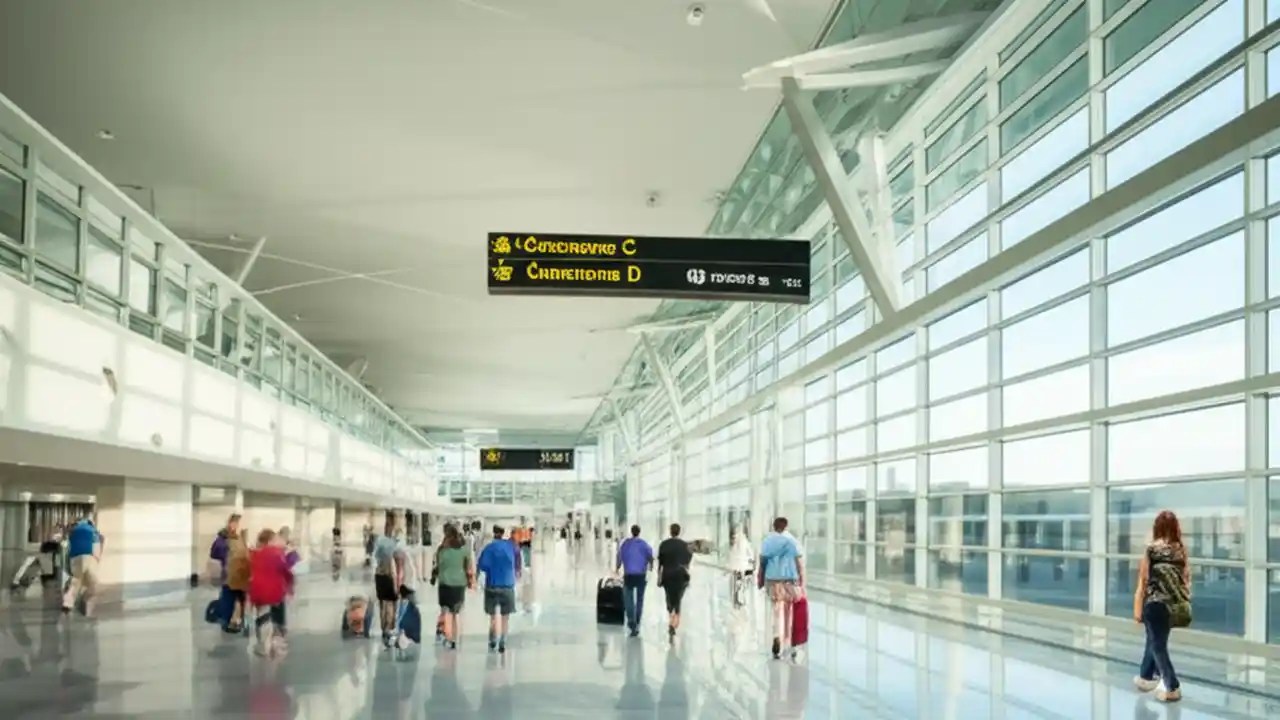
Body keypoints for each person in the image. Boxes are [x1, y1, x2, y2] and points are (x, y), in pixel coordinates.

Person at [1133, 510, 1190, 703]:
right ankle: (1146, 676)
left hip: (1155, 602)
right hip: (1173, 605)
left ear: (1156, 527)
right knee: (1154, 638)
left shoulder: (1151, 549)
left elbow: (1143, 579)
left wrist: (1138, 607)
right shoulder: (1181, 550)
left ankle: (1172, 686)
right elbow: (1186, 579)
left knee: (1158, 646)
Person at [759, 517, 804, 660]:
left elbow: (762, 562)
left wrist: (760, 578)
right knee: (789, 611)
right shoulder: (791, 541)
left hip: (773, 580)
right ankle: (790, 642)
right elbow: (798, 562)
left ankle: (776, 637)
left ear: (774, 526)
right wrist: (801, 579)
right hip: (789, 579)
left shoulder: (767, 541)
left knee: (776, 611)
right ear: (786, 526)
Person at [249, 528, 294, 656]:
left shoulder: (255, 554)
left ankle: (261, 643)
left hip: (257, 590)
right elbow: (285, 570)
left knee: (261, 616)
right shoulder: (276, 553)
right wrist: (290, 585)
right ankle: (276, 640)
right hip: (274, 591)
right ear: (270, 541)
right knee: (278, 615)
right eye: (274, 539)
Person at [475, 525, 520, 653]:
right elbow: (517, 565)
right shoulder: (511, 547)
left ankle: (492, 640)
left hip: (492, 585)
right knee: (505, 618)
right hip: (507, 586)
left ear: (494, 533)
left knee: (493, 617)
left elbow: (482, 566)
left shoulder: (489, 548)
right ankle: (503, 642)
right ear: (504, 533)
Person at [432, 523, 474, 650]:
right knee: (456, 613)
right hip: (459, 584)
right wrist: (470, 581)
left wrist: (433, 578)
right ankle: (455, 639)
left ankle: (447, 636)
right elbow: (468, 568)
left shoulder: (442, 549)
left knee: (446, 611)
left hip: (445, 583)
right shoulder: (464, 550)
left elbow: (437, 566)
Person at [372, 523, 408, 647]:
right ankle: (389, 630)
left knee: (382, 604)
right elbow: (394, 568)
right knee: (391, 605)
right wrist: (396, 586)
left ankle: (383, 630)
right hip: (389, 577)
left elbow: (375, 559)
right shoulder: (395, 547)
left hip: (379, 575)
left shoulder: (380, 542)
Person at [615, 524, 653, 638]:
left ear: (631, 532)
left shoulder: (625, 544)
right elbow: (650, 557)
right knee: (640, 598)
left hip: (629, 575)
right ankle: (637, 621)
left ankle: (631, 621)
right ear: (639, 532)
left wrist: (617, 567)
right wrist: (650, 566)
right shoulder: (644, 544)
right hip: (641, 575)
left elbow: (619, 557)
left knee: (628, 598)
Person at [656, 523, 693, 640]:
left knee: (669, 594)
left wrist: (659, 576)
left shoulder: (664, 545)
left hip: (667, 574)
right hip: (680, 575)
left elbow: (660, 563)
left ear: (670, 531)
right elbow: (688, 560)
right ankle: (675, 616)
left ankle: (670, 611)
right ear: (679, 531)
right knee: (678, 596)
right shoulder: (684, 545)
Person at [61, 517, 104, 615]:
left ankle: (67, 603)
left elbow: (67, 548)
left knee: (76, 581)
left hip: (74, 558)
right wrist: (97, 559)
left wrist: (68, 566)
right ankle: (84, 601)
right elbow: (96, 547)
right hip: (88, 557)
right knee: (93, 582)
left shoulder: (73, 532)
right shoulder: (93, 531)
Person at [225, 529, 252, 633]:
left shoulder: (238, 551)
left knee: (239, 600)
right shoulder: (243, 551)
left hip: (238, 580)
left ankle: (237, 621)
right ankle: (239, 621)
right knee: (241, 600)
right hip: (240, 580)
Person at [727, 526, 755, 608]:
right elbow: (750, 553)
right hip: (743, 566)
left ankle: (735, 599)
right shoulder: (745, 541)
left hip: (736, 567)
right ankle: (740, 599)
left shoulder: (734, 542)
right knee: (741, 584)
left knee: (736, 583)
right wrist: (752, 560)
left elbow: (731, 554)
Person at [209, 513, 241, 585]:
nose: (236, 526)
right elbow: (215, 552)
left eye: (237, 523)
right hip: (228, 568)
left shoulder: (235, 536)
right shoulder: (223, 537)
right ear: (230, 523)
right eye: (235, 523)